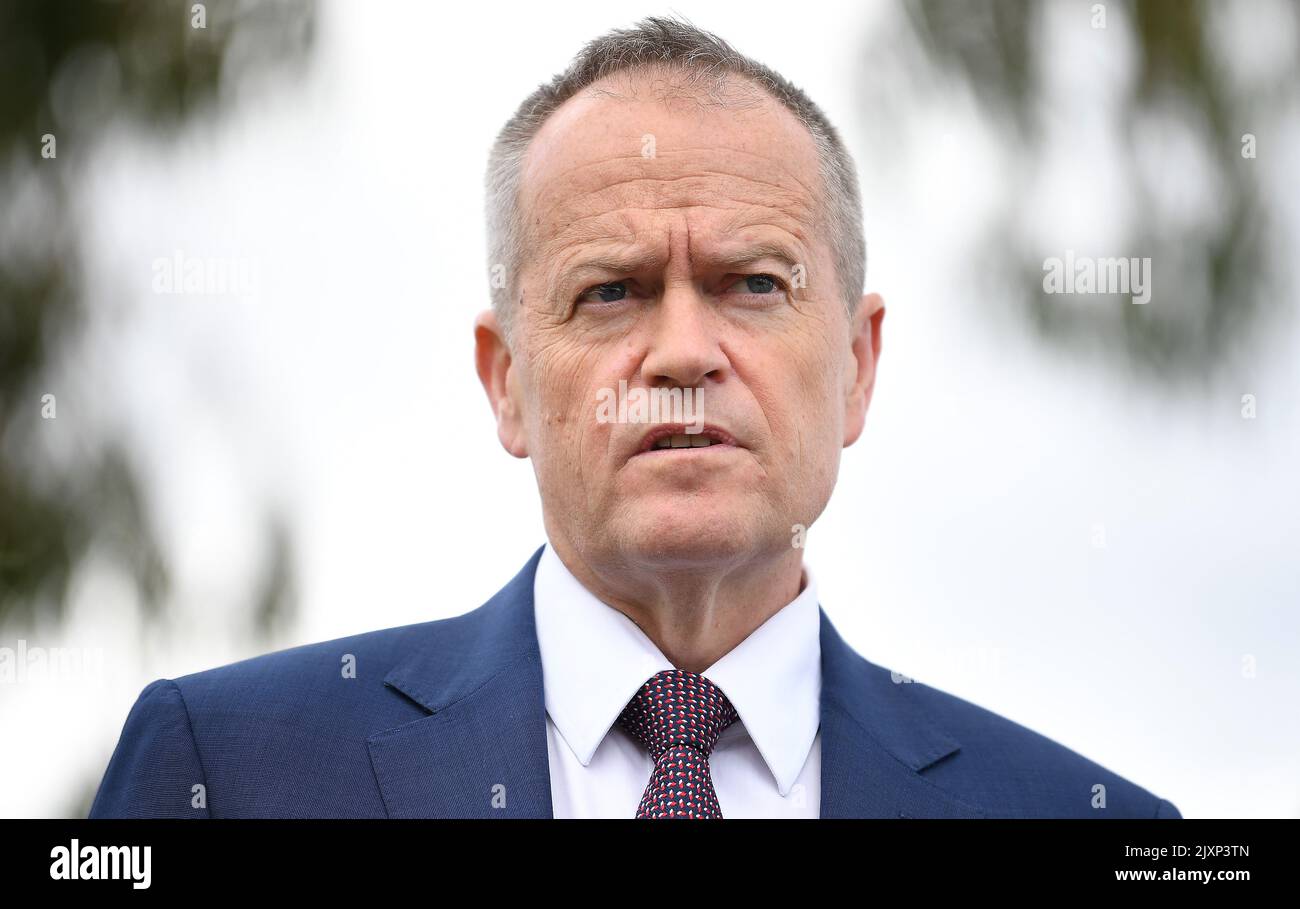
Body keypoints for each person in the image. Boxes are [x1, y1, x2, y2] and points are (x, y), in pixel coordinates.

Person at [89, 15, 1181, 819]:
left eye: (754, 283)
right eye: (609, 290)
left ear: (856, 365)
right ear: (505, 379)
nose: (682, 352)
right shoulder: (228, 772)